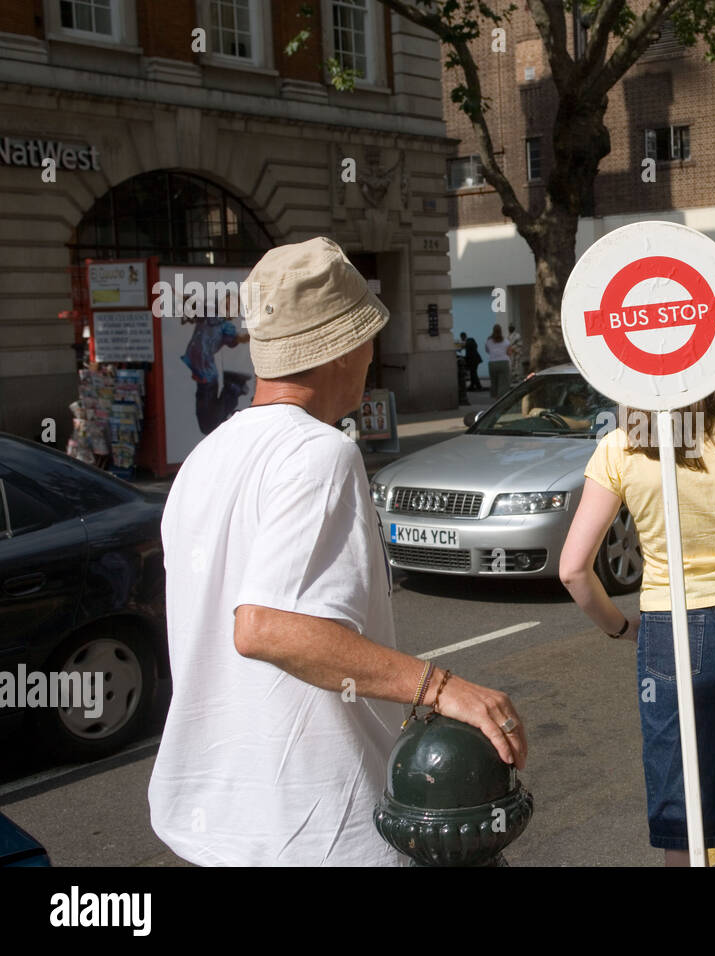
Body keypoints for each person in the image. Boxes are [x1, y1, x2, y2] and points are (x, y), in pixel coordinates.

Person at [148, 237, 527, 866]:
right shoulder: (320, 452)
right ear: (345, 347)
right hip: (318, 827)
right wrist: (439, 687)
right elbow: (266, 628)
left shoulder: (205, 458)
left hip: (216, 823)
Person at [558, 382, 715, 867]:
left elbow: (573, 570)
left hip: (665, 627)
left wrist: (621, 628)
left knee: (678, 786)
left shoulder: (622, 445)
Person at [181, 314, 252, 435]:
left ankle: (233, 388)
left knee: (208, 426)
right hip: (202, 374)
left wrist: (249, 336)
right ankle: (233, 387)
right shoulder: (208, 316)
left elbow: (236, 339)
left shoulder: (224, 327)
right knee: (209, 424)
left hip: (207, 376)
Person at [485, 323, 511, 398]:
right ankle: (501, 398)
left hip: (492, 363)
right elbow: (509, 352)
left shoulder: (489, 341)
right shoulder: (505, 341)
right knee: (504, 383)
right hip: (503, 362)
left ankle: (495, 397)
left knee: (494, 382)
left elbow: (487, 350)